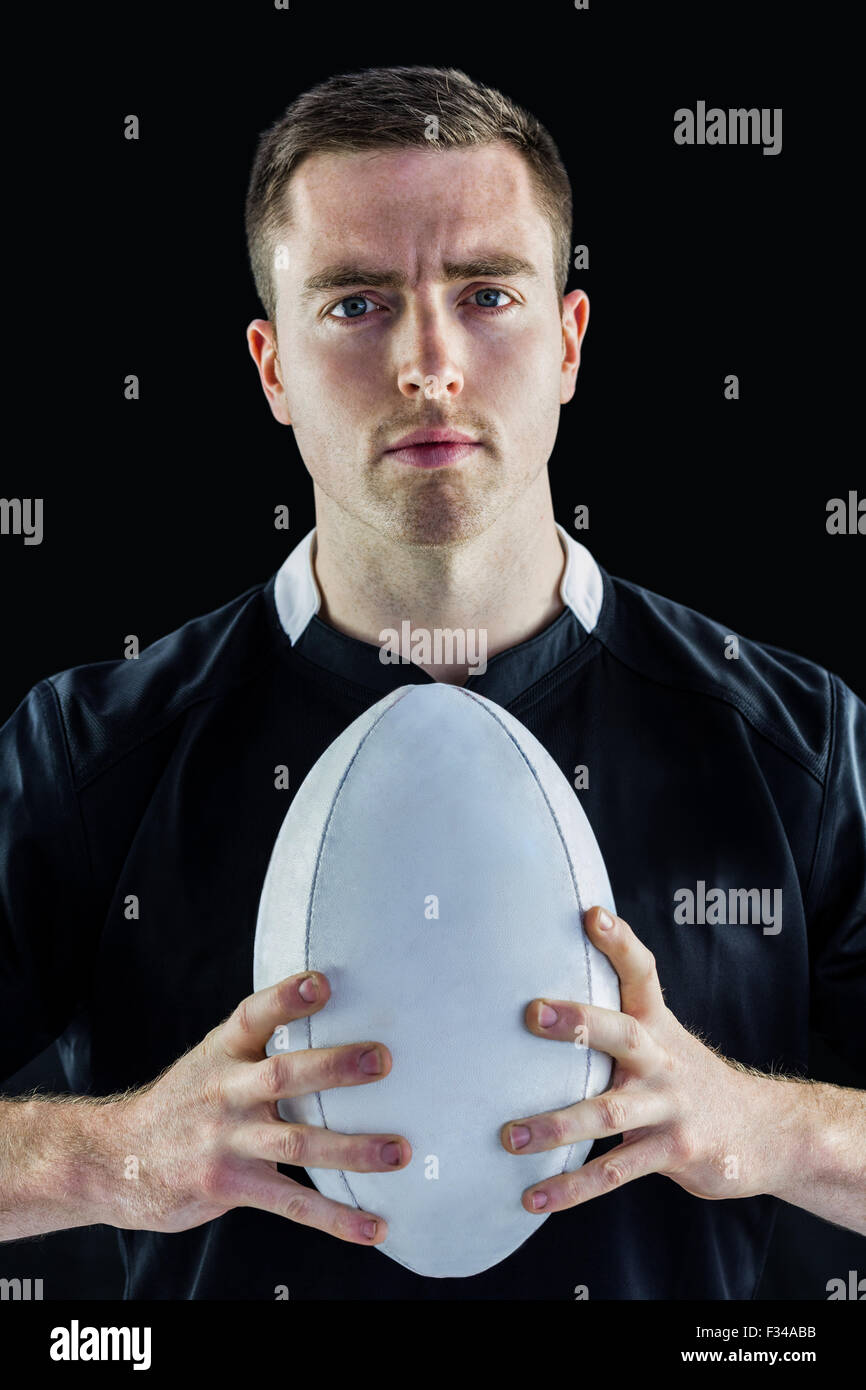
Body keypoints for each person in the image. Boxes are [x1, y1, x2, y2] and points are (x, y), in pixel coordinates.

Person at [1, 66, 863, 1301]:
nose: (428, 362)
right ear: (271, 367)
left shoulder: (801, 749)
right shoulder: (84, 756)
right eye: (354, 303)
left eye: (486, 293)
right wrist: (109, 1155)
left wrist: (774, 1128)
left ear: (567, 341)